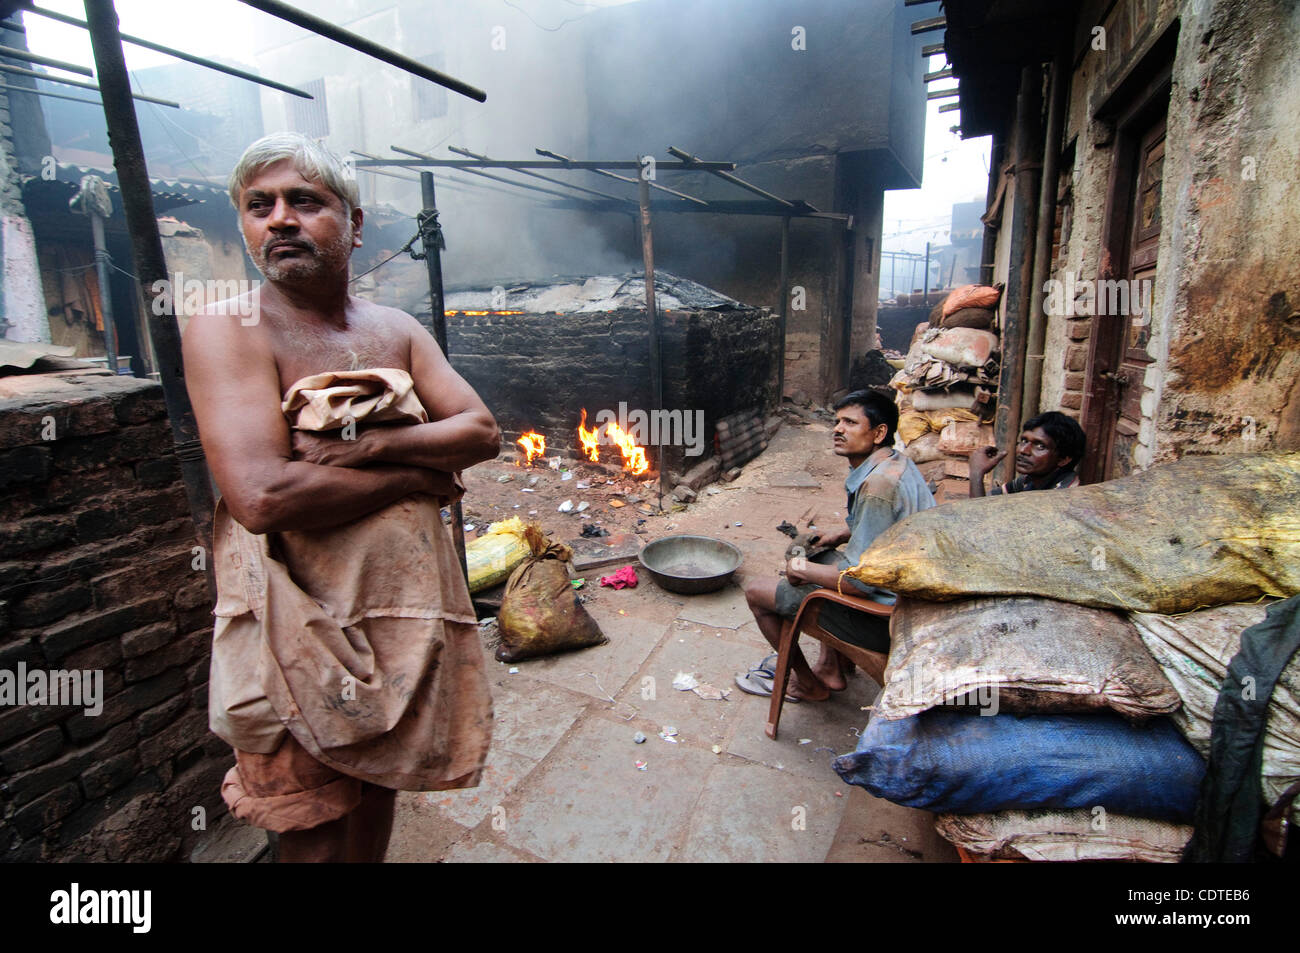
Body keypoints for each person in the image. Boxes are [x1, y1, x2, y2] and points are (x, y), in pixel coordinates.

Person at [182, 132, 500, 862]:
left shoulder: (396, 330)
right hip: (296, 629)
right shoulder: (228, 328)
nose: (280, 219)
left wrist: (375, 444)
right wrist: (419, 475)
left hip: (401, 624)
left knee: (376, 797)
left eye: (305, 201)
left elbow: (480, 429)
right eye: (259, 206)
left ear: (354, 225)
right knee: (313, 830)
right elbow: (264, 495)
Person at [736, 390, 936, 702]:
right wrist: (840, 533)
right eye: (837, 421)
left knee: (757, 592)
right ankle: (830, 667)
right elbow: (882, 529)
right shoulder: (894, 464)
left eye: (850, 423)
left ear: (879, 432)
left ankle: (808, 683)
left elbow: (858, 582)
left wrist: (799, 568)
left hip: (886, 618)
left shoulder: (878, 486)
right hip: (904, 598)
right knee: (822, 552)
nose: (837, 429)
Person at [968, 410, 1086, 497]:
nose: (1023, 450)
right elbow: (986, 503)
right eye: (1024, 441)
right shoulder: (1029, 481)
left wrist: (976, 474)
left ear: (1064, 459)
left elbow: (979, 521)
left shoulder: (1065, 494)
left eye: (1040, 446)